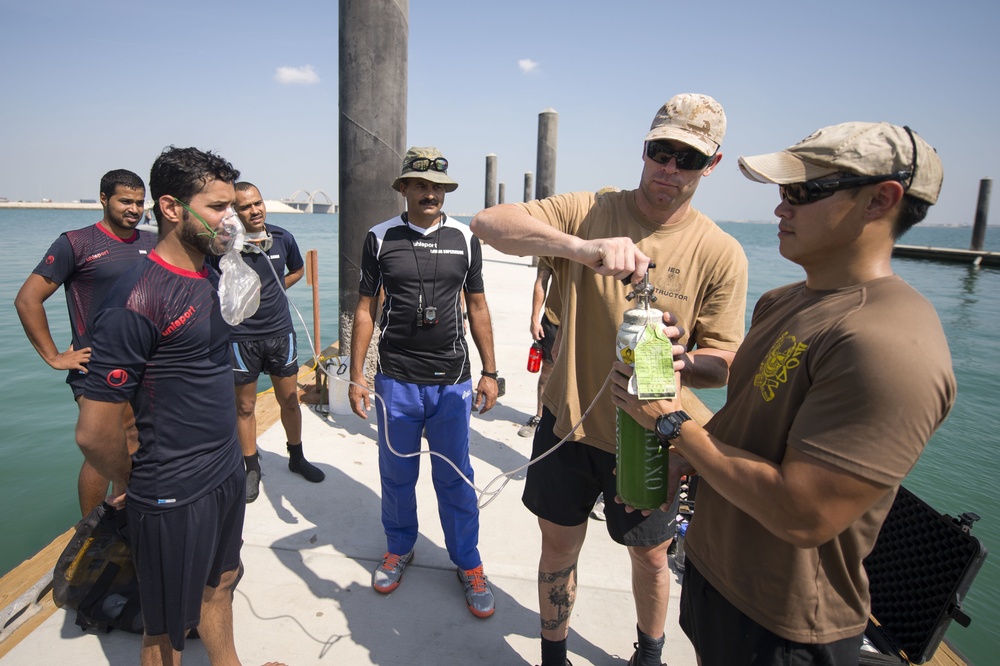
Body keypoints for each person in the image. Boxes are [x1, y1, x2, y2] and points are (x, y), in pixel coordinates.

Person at [610, 121, 955, 665]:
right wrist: (683, 459)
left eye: (800, 192)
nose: (779, 209)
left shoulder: (889, 343)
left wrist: (673, 423)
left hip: (784, 625)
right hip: (714, 577)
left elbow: (804, 514)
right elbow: (750, 416)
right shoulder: (784, 300)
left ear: (880, 200)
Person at [471, 93, 748, 666]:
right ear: (644, 149)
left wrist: (685, 360)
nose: (669, 169)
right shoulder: (591, 208)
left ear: (711, 165)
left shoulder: (720, 252)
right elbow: (488, 224)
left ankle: (648, 653)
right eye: (661, 151)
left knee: (650, 557)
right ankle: (554, 654)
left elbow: (725, 364)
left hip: (651, 437)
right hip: (568, 423)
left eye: (687, 159)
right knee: (558, 546)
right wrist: (583, 248)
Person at [75, 146, 284, 665]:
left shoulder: (211, 276)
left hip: (223, 470)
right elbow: (94, 431)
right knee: (165, 628)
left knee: (222, 583)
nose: (230, 220)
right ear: (171, 208)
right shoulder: (137, 299)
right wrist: (140, 482)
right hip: (170, 489)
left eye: (232, 207)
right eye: (217, 208)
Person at [349, 146, 501, 619]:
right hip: (396, 379)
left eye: (437, 186)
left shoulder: (464, 237)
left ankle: (468, 562)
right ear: (405, 189)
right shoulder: (379, 237)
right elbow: (365, 310)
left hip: (452, 379)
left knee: (455, 477)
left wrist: (491, 371)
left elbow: (476, 307)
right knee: (396, 474)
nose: (430, 193)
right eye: (420, 185)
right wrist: (358, 377)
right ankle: (399, 547)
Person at [14, 169, 156, 517]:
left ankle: (123, 512)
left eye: (140, 202)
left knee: (136, 440)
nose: (134, 209)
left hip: (145, 363)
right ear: (104, 199)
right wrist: (54, 356)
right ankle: (92, 527)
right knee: (106, 445)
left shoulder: (151, 244)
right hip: (97, 363)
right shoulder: (75, 243)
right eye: (125, 200)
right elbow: (27, 300)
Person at [208, 181, 322, 504]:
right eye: (245, 207)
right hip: (241, 339)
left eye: (257, 203)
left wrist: (273, 288)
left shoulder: (283, 237)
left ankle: (296, 456)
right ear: (234, 210)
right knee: (245, 406)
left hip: (280, 333)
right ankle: (250, 466)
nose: (254, 210)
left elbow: (298, 269)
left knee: (289, 400)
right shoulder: (222, 244)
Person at [519, 259, 560, 438]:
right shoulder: (552, 244)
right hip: (553, 320)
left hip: (582, 321)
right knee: (547, 372)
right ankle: (540, 416)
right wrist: (535, 318)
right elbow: (541, 281)